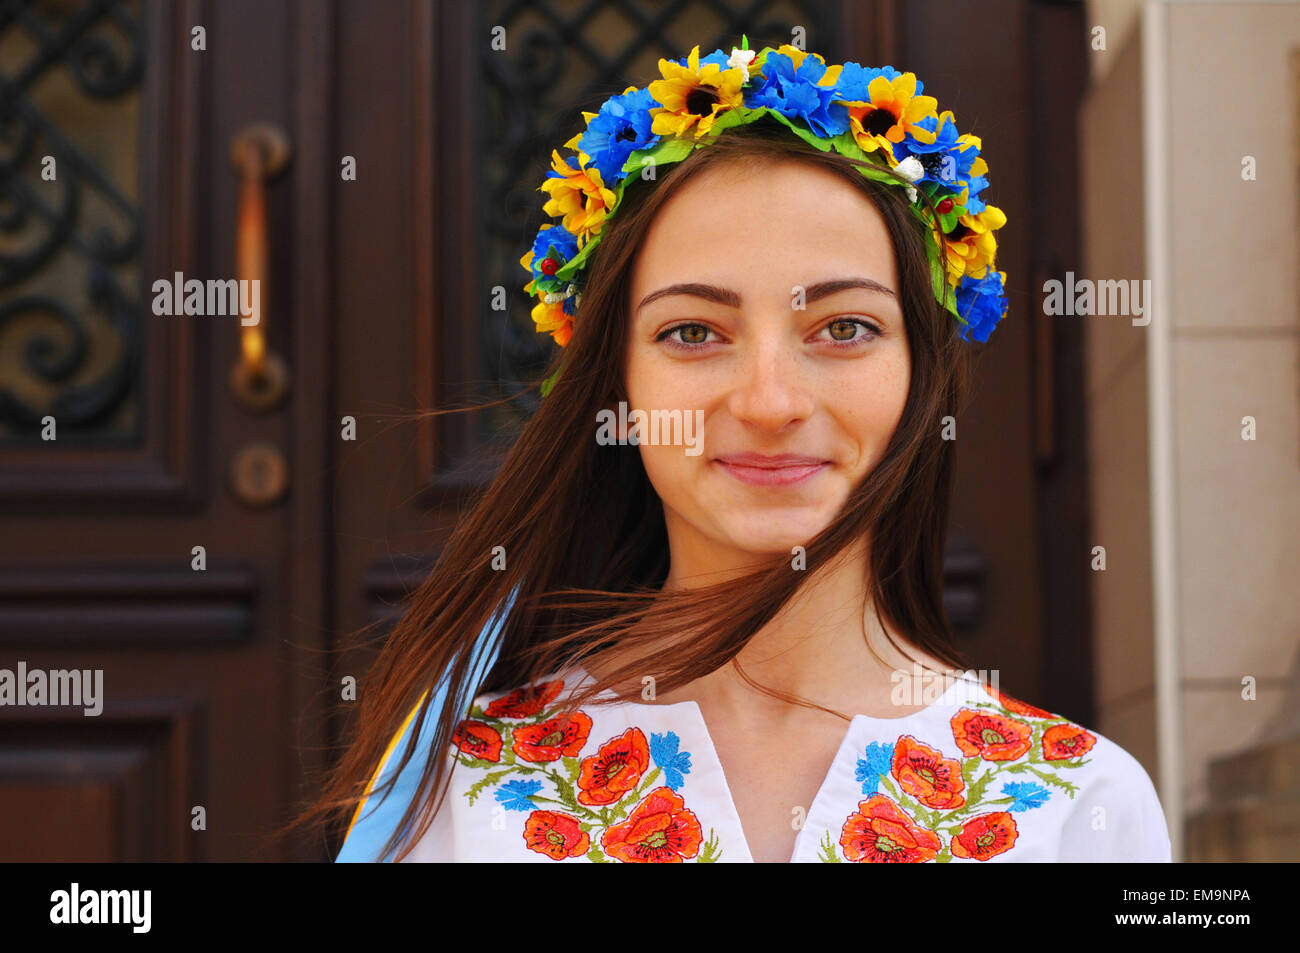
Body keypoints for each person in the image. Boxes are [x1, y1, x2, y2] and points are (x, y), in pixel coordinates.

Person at [316, 39, 1171, 863]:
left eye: (845, 328)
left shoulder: (1079, 805)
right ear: (613, 381)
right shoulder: (473, 790)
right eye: (693, 331)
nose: (770, 402)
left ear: (922, 371)